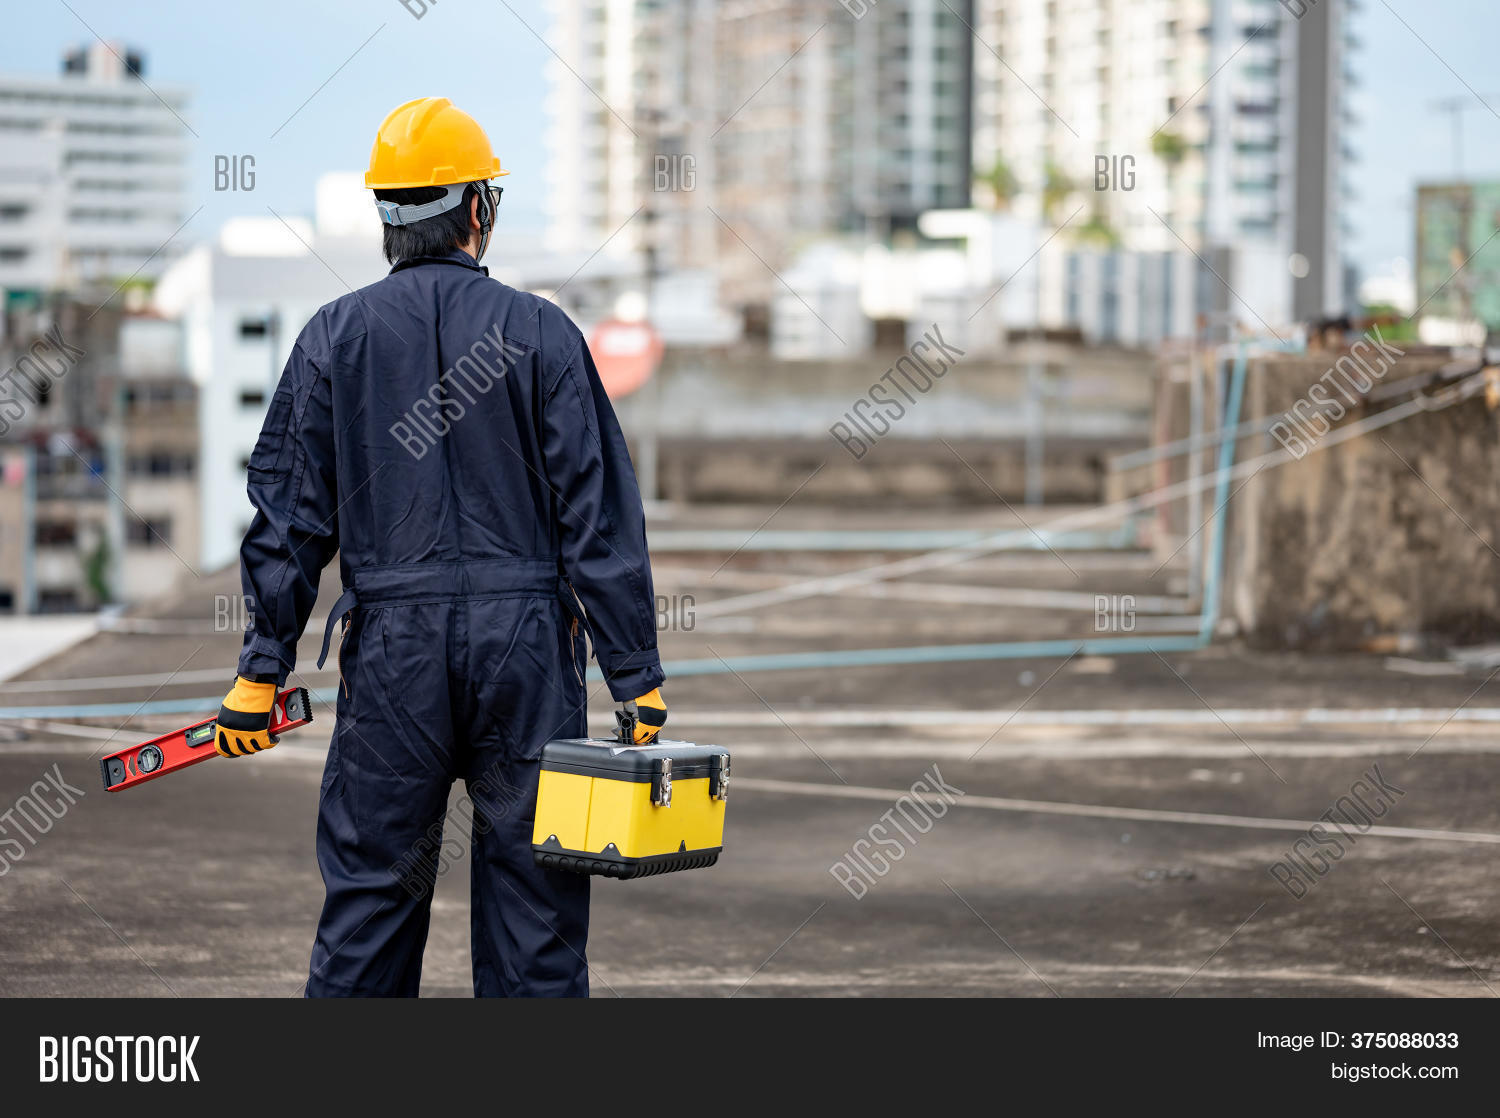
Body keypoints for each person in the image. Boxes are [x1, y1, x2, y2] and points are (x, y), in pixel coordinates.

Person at [213, 97, 667, 997]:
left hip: (392, 660)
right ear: (475, 209)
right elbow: (598, 517)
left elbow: (290, 518)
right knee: (537, 925)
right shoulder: (541, 333)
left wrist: (262, 668)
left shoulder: (331, 340)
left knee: (370, 908)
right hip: (526, 657)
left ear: (387, 217)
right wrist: (637, 677)